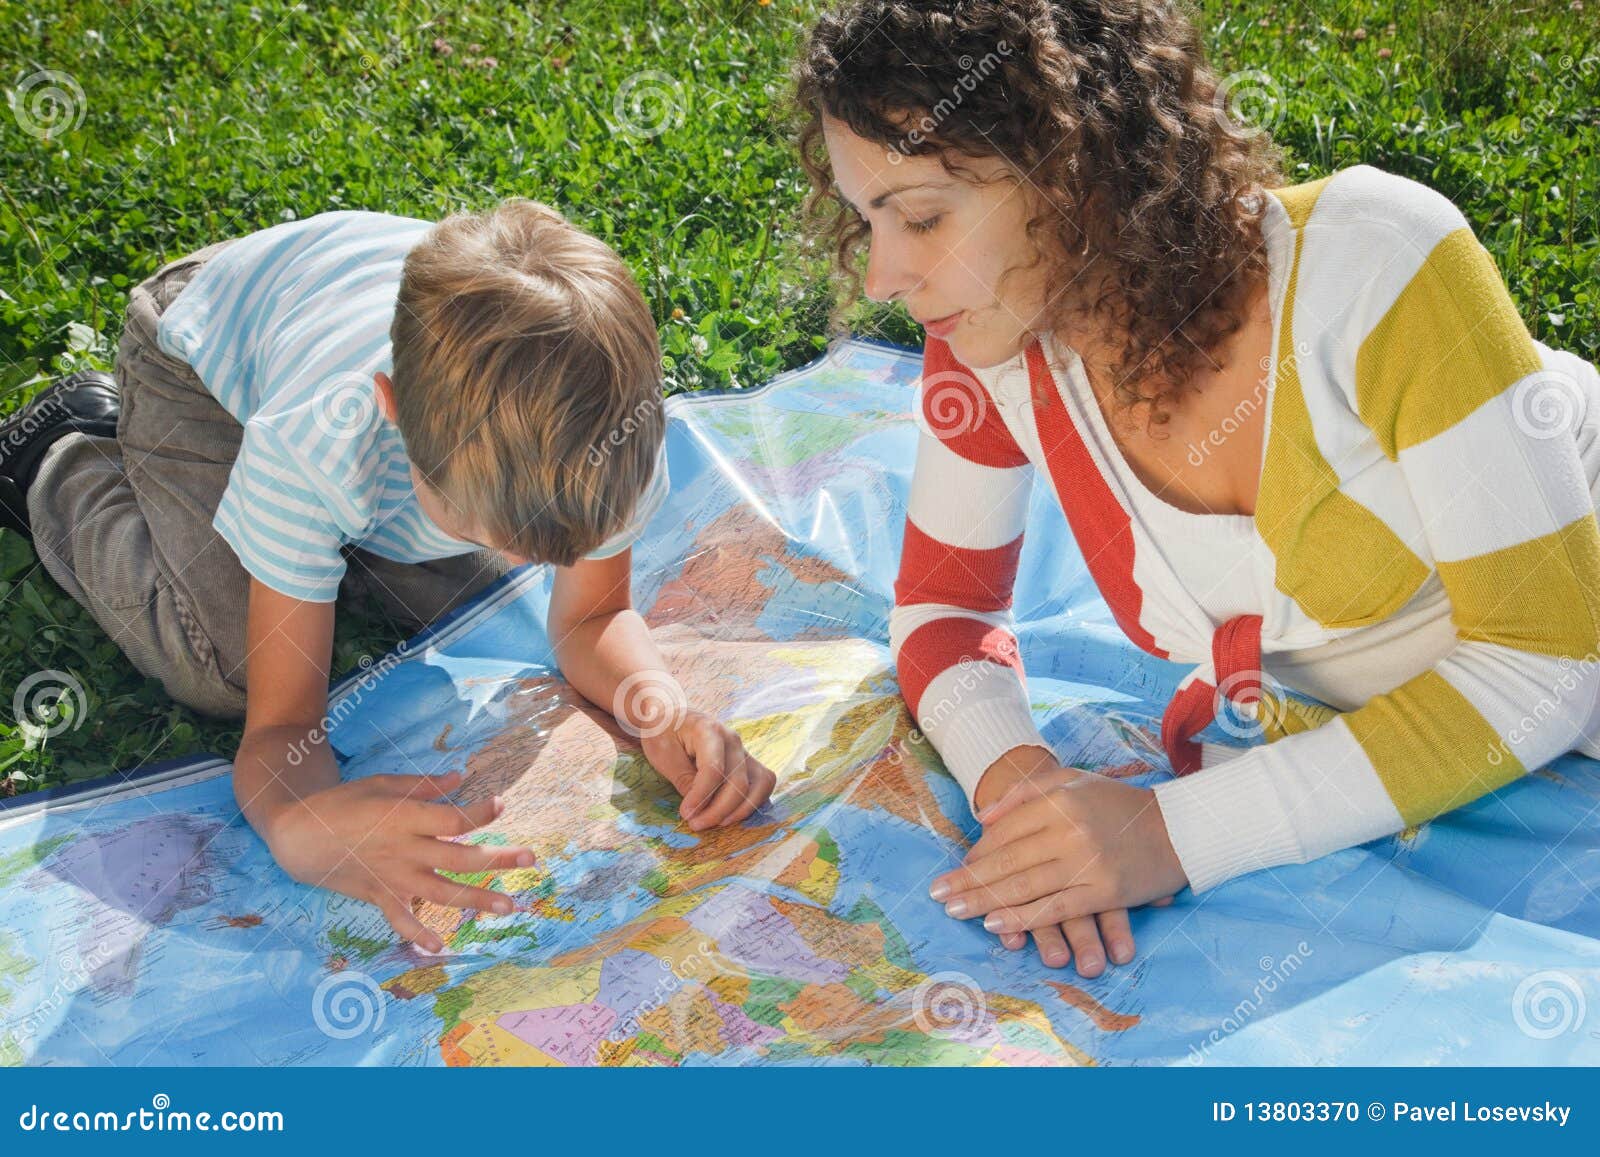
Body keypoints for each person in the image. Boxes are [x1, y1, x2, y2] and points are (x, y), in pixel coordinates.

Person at [793, 0, 1600, 977]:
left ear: (1074, 166)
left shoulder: (1379, 262)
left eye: (922, 216)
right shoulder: (988, 344)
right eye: (868, 219)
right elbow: (942, 608)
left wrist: (1169, 833)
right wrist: (1031, 797)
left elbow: (1550, 658)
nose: (883, 273)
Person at [0, 201, 776, 952]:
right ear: (393, 410)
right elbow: (279, 729)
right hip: (199, 361)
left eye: (555, 544)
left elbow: (589, 619)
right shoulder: (312, 446)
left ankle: (337, 545)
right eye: (488, 529)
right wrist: (299, 822)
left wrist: (662, 708)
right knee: (225, 664)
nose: (521, 564)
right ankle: (66, 456)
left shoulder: (610, 442)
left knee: (470, 597)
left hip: (352, 329)